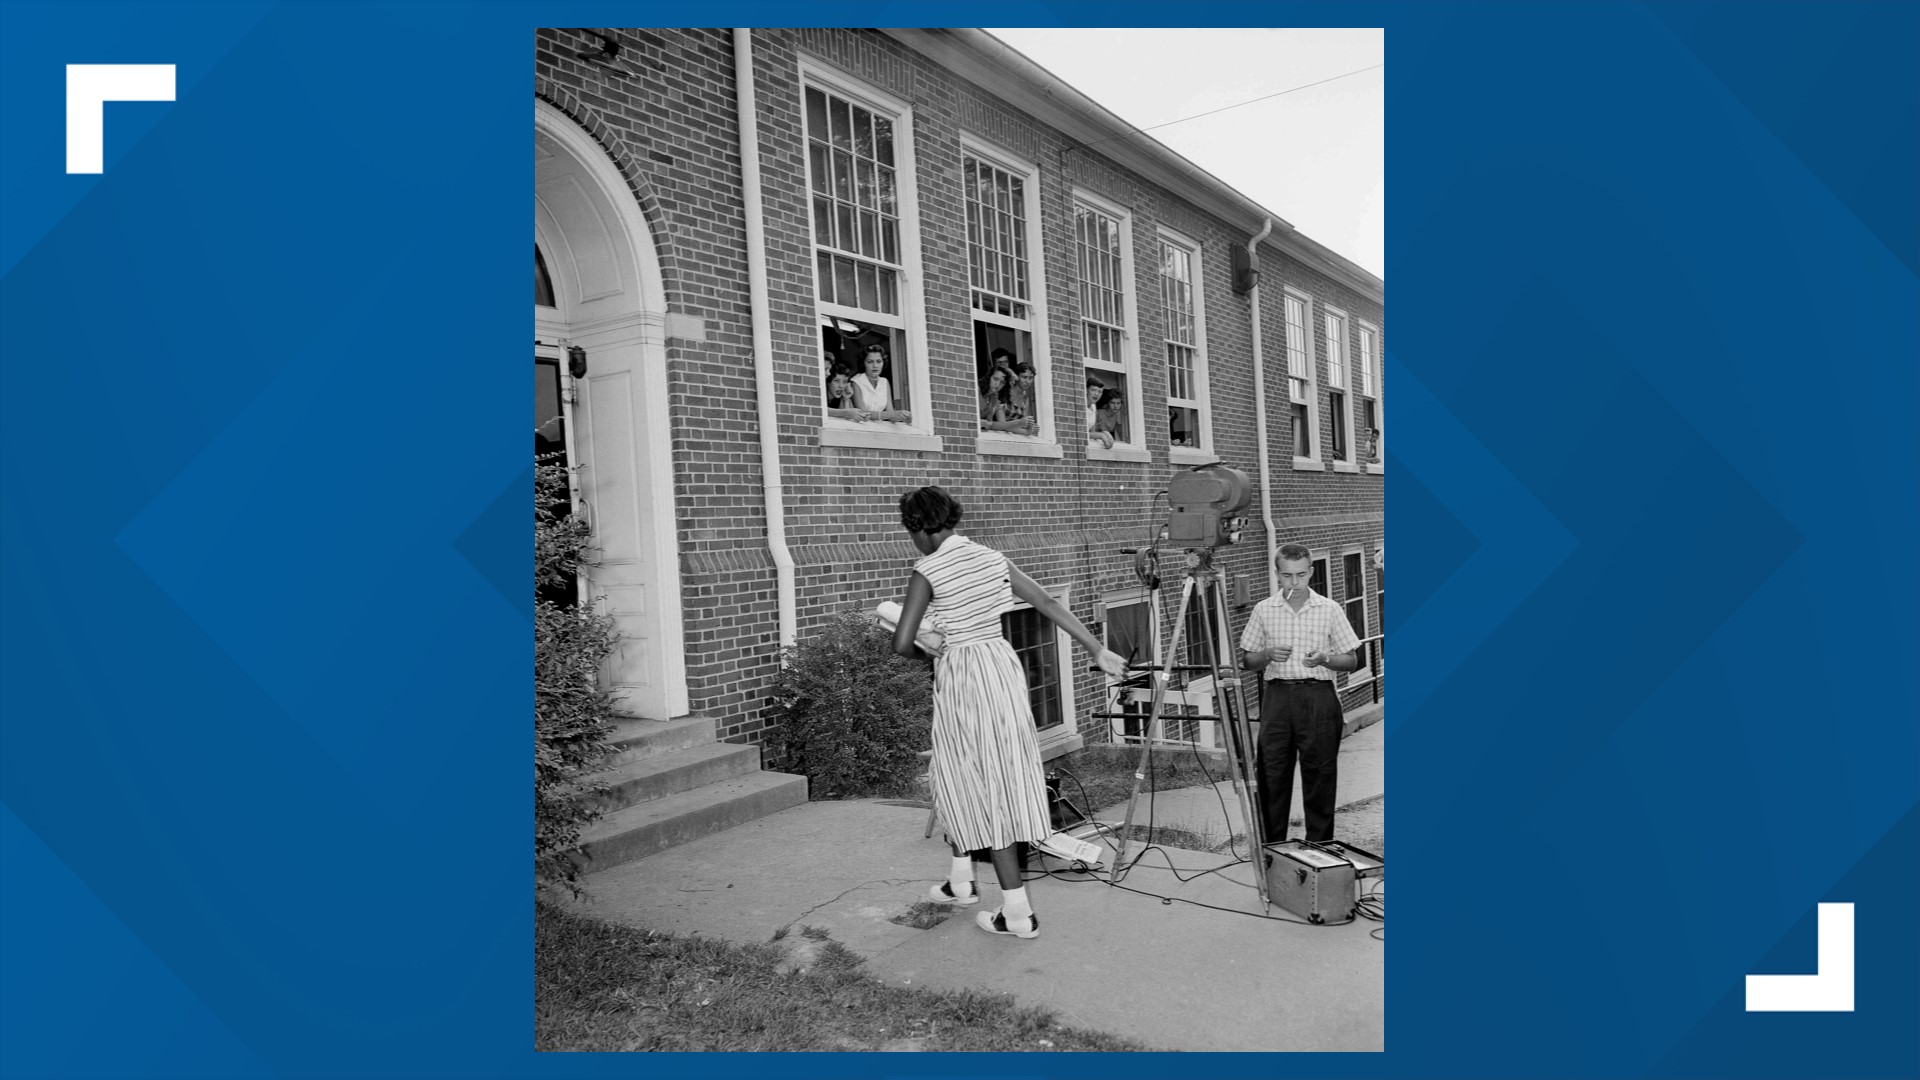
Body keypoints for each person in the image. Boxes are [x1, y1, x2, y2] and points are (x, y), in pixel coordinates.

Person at [890, 486, 1127, 939]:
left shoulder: (927, 569)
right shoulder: (992, 558)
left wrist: (931, 650)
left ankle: (1017, 912)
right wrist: (1097, 649)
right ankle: (961, 880)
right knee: (967, 769)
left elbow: (901, 643)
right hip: (1001, 667)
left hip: (964, 675)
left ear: (918, 529)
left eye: (911, 533)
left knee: (979, 780)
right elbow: (1047, 603)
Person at [1239, 543, 1362, 844]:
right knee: (1272, 774)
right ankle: (1272, 849)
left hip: (1318, 697)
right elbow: (1248, 660)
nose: (1294, 582)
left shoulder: (1329, 609)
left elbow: (1352, 660)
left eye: (1301, 575)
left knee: (1320, 775)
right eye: (1287, 575)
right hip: (1278, 698)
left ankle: (1319, 848)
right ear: (1277, 574)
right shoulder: (1264, 609)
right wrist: (1267, 654)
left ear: (1311, 572)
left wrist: (1325, 659)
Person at [851, 344, 910, 422]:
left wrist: (903, 416)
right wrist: (891, 414)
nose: (875, 366)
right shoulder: (856, 381)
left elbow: (890, 413)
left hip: (880, 426)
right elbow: (863, 413)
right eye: (870, 362)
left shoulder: (884, 382)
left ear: (883, 362)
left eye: (878, 361)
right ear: (863, 363)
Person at [978, 368, 1033, 434]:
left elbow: (992, 425)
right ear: (989, 378)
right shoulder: (976, 390)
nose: (997, 384)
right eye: (995, 379)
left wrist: (1025, 430)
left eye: (1002, 382)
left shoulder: (994, 399)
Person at [1086, 378, 1113, 448]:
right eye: (1093, 390)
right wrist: (1101, 435)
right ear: (1086, 390)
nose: (1096, 394)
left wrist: (1105, 433)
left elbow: (1092, 432)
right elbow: (1081, 434)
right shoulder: (1082, 406)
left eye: (1100, 391)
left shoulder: (1093, 406)